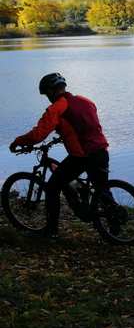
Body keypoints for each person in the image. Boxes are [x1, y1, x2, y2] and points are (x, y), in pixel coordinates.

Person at [8, 73, 110, 237]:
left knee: (52, 188)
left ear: (51, 91)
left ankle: (51, 231)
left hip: (82, 156)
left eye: (46, 94)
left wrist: (18, 141)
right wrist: (64, 134)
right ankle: (115, 224)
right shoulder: (85, 101)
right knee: (101, 188)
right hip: (101, 150)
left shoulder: (57, 107)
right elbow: (83, 125)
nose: (47, 98)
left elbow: (38, 134)